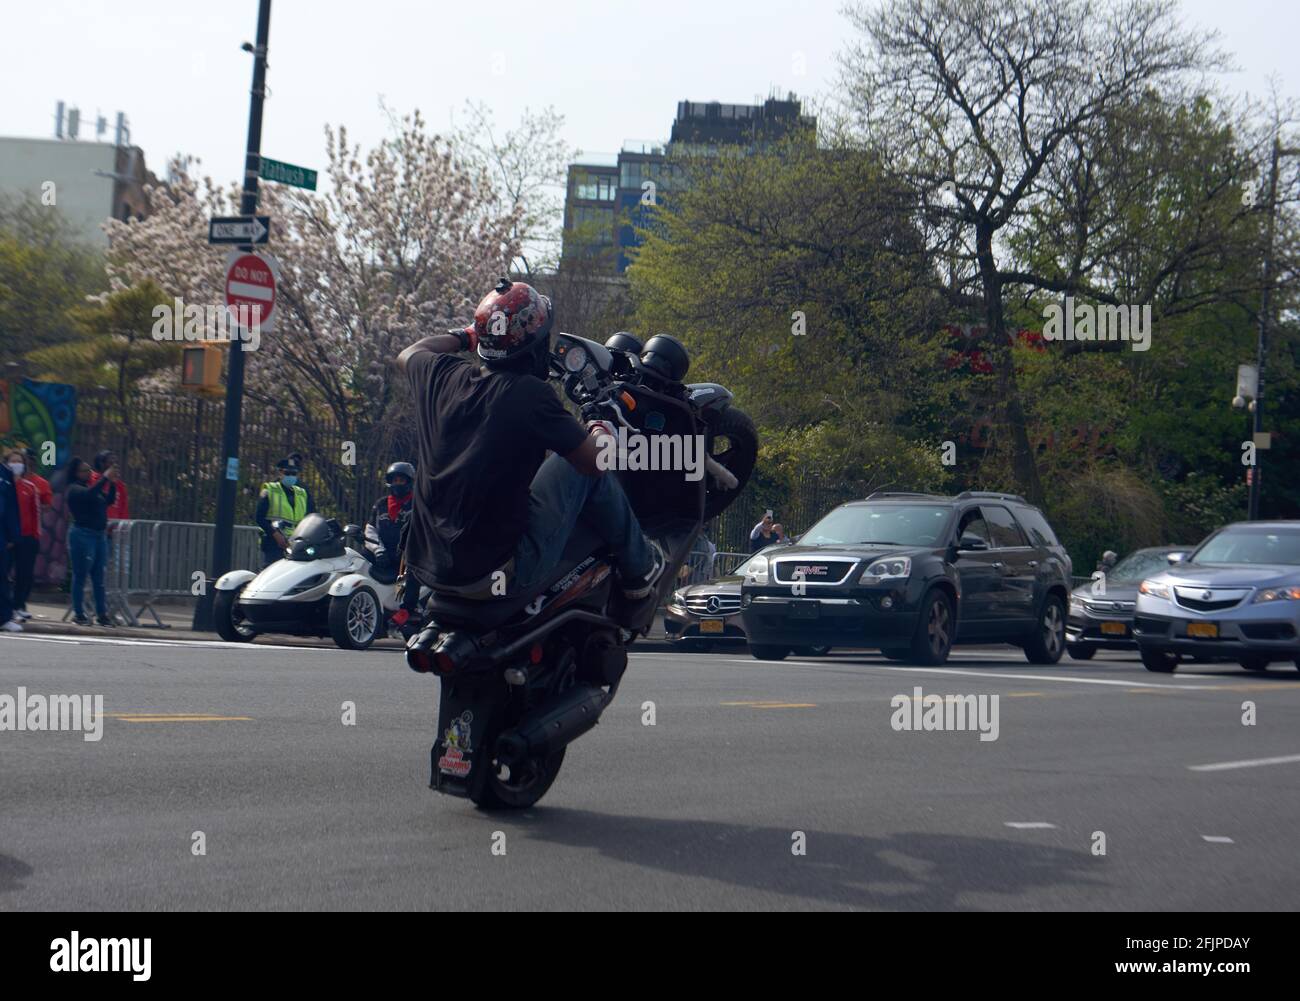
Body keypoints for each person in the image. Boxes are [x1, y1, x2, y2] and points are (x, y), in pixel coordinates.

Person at [395, 277, 665, 617]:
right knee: (579, 467)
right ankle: (640, 571)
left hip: (428, 566)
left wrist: (467, 335)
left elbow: (410, 353)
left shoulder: (444, 376)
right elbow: (595, 462)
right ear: (535, 344)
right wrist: (601, 422)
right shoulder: (528, 394)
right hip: (492, 574)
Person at [66, 455, 118, 627]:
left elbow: (108, 500)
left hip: (98, 535)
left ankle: (102, 614)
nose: (89, 473)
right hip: (83, 534)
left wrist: (112, 483)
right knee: (81, 575)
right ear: (76, 473)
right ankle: (79, 613)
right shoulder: (74, 489)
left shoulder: (92, 488)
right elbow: (89, 495)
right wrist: (104, 478)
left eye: (90, 470)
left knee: (99, 577)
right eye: (84, 470)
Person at [366, 461, 420, 625]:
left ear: (409, 482)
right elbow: (370, 529)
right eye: (395, 480)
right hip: (384, 553)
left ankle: (406, 609)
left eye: (401, 480)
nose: (397, 484)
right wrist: (377, 550)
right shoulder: (380, 504)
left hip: (407, 554)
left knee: (414, 569)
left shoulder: (418, 503)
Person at [6, 448, 50, 622]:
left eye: (20, 461)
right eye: (13, 461)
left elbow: (37, 512)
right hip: (7, 537)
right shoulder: (4, 484)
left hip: (27, 537)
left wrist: (35, 536)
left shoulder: (31, 487)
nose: (16, 465)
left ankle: (18, 606)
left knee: (24, 574)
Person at [255, 456, 315, 567]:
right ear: (280, 473)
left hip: (295, 544)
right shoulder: (270, 489)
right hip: (273, 542)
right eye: (287, 473)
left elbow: (311, 517)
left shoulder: (302, 493)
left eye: (294, 473)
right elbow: (259, 517)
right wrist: (276, 535)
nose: (291, 476)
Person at [0, 455, 21, 632]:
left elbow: (12, 507)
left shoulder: (5, 473)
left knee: (2, 577)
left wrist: (12, 536)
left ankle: (5, 618)